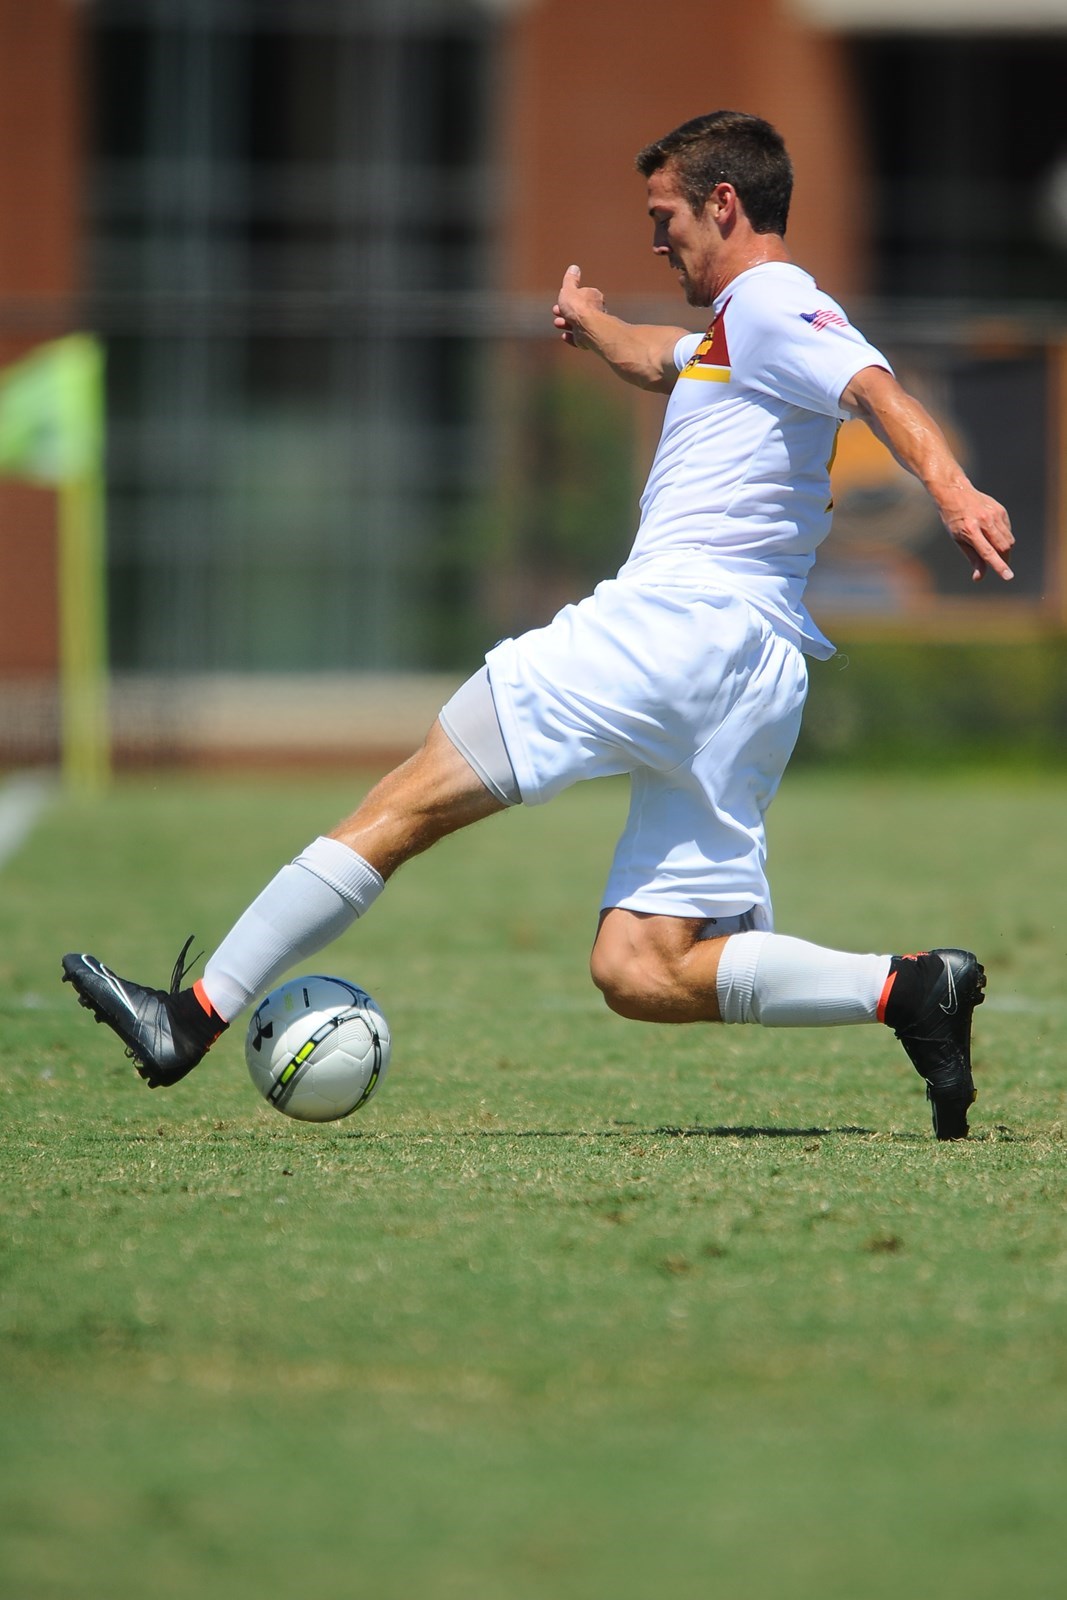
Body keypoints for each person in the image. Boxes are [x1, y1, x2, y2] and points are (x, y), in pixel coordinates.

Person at [63, 110, 1015, 1140]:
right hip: (754, 671)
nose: (656, 239)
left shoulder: (776, 303)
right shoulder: (737, 331)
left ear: (723, 203)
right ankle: (909, 989)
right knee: (639, 968)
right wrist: (596, 327)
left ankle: (191, 1019)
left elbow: (872, 387)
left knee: (405, 802)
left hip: (673, 628)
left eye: (664, 217)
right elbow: (665, 360)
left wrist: (953, 490)